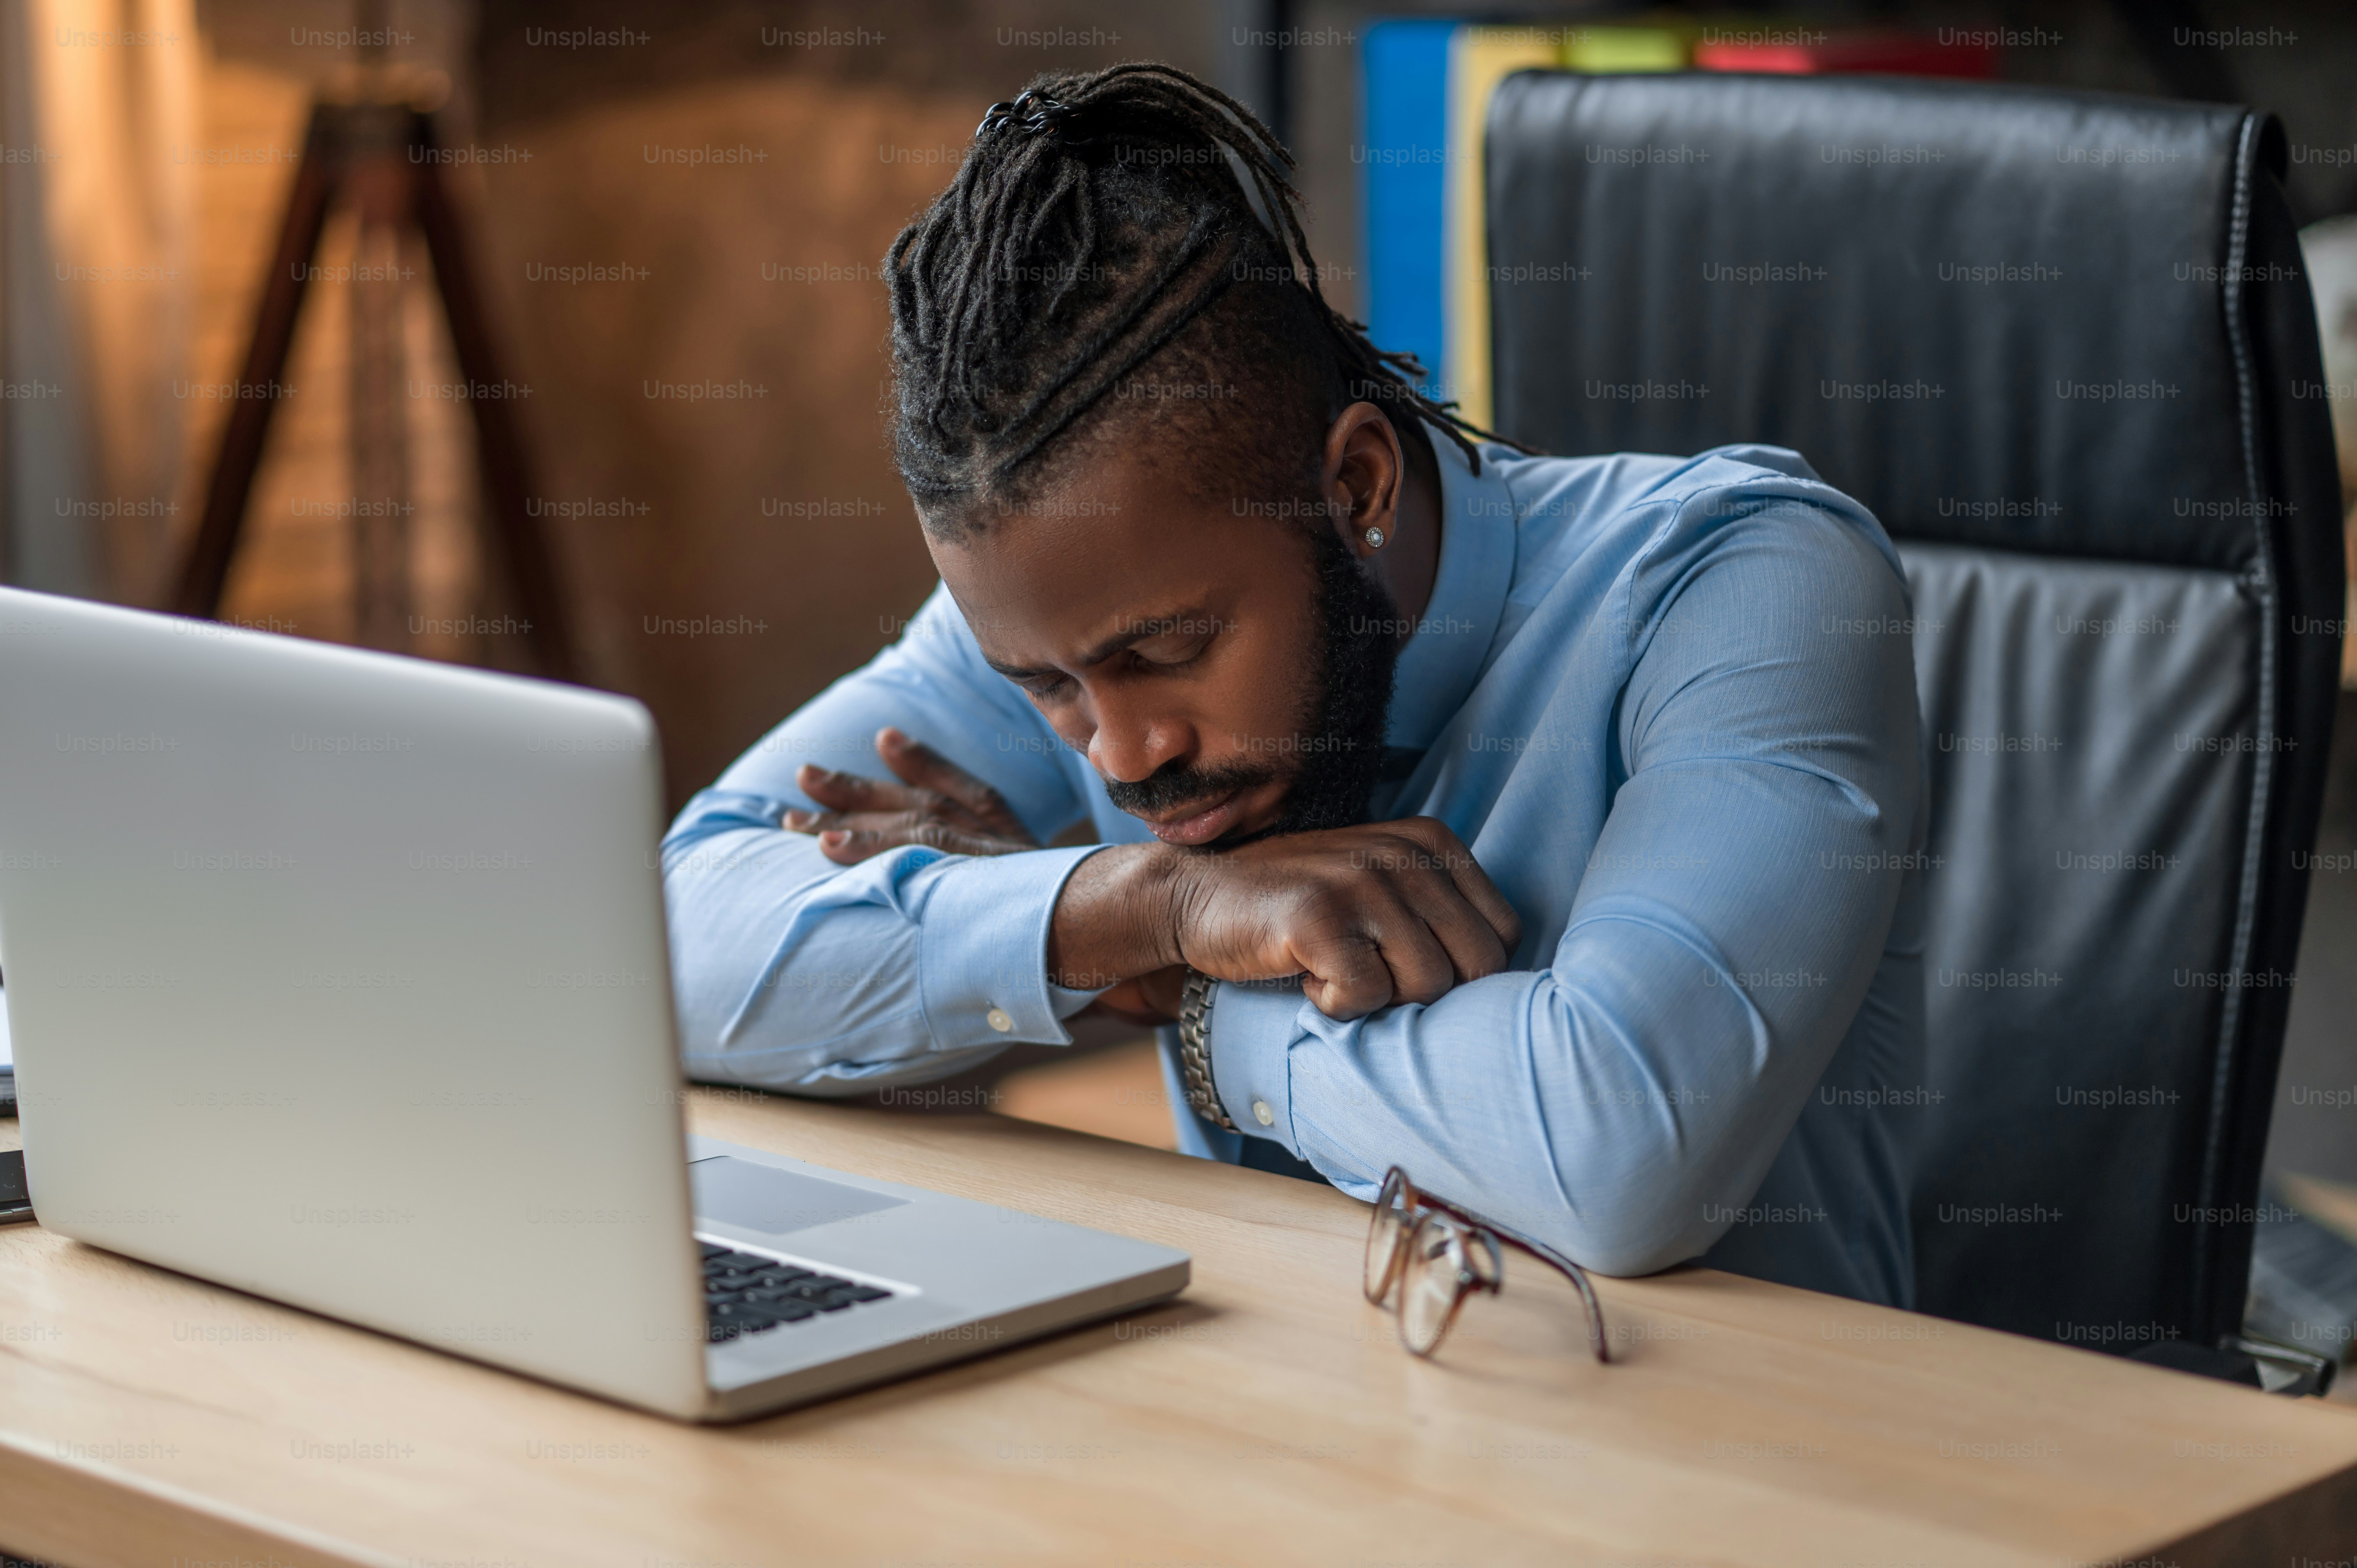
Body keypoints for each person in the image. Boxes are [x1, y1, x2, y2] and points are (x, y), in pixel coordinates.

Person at [661, 63, 1927, 1306]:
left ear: (1358, 488)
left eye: (1168, 654)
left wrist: (1192, 1002)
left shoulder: (1743, 578)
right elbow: (658, 946)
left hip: (1762, 1469)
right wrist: (1129, 910)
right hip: (1286, 1423)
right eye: (1044, 686)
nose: (1117, 752)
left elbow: (1619, 1156)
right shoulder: (1079, 608)